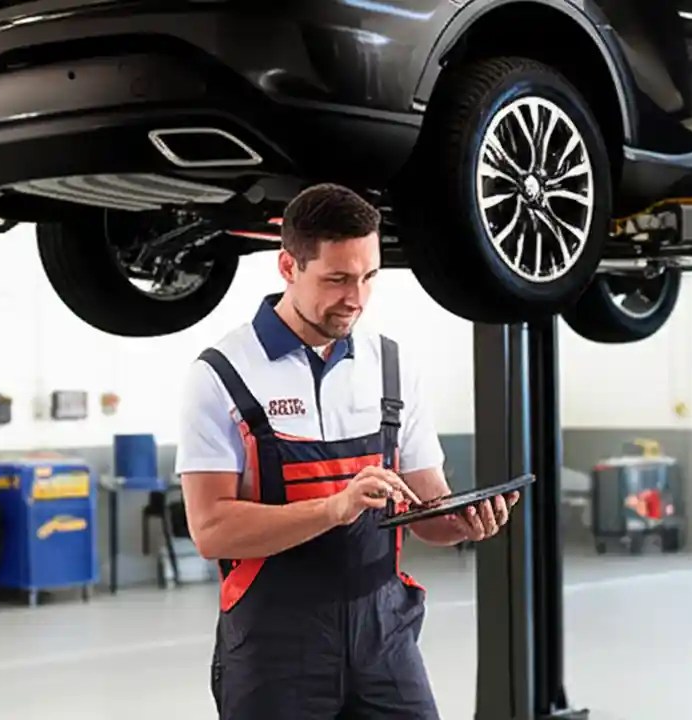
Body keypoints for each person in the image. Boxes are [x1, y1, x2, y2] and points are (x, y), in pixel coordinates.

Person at [175, 183, 521, 720]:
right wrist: (335, 508)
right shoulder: (223, 374)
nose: (356, 298)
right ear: (288, 266)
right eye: (336, 279)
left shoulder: (392, 367)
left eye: (369, 277)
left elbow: (428, 513)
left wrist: (463, 523)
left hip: (384, 635)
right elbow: (211, 529)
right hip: (275, 646)